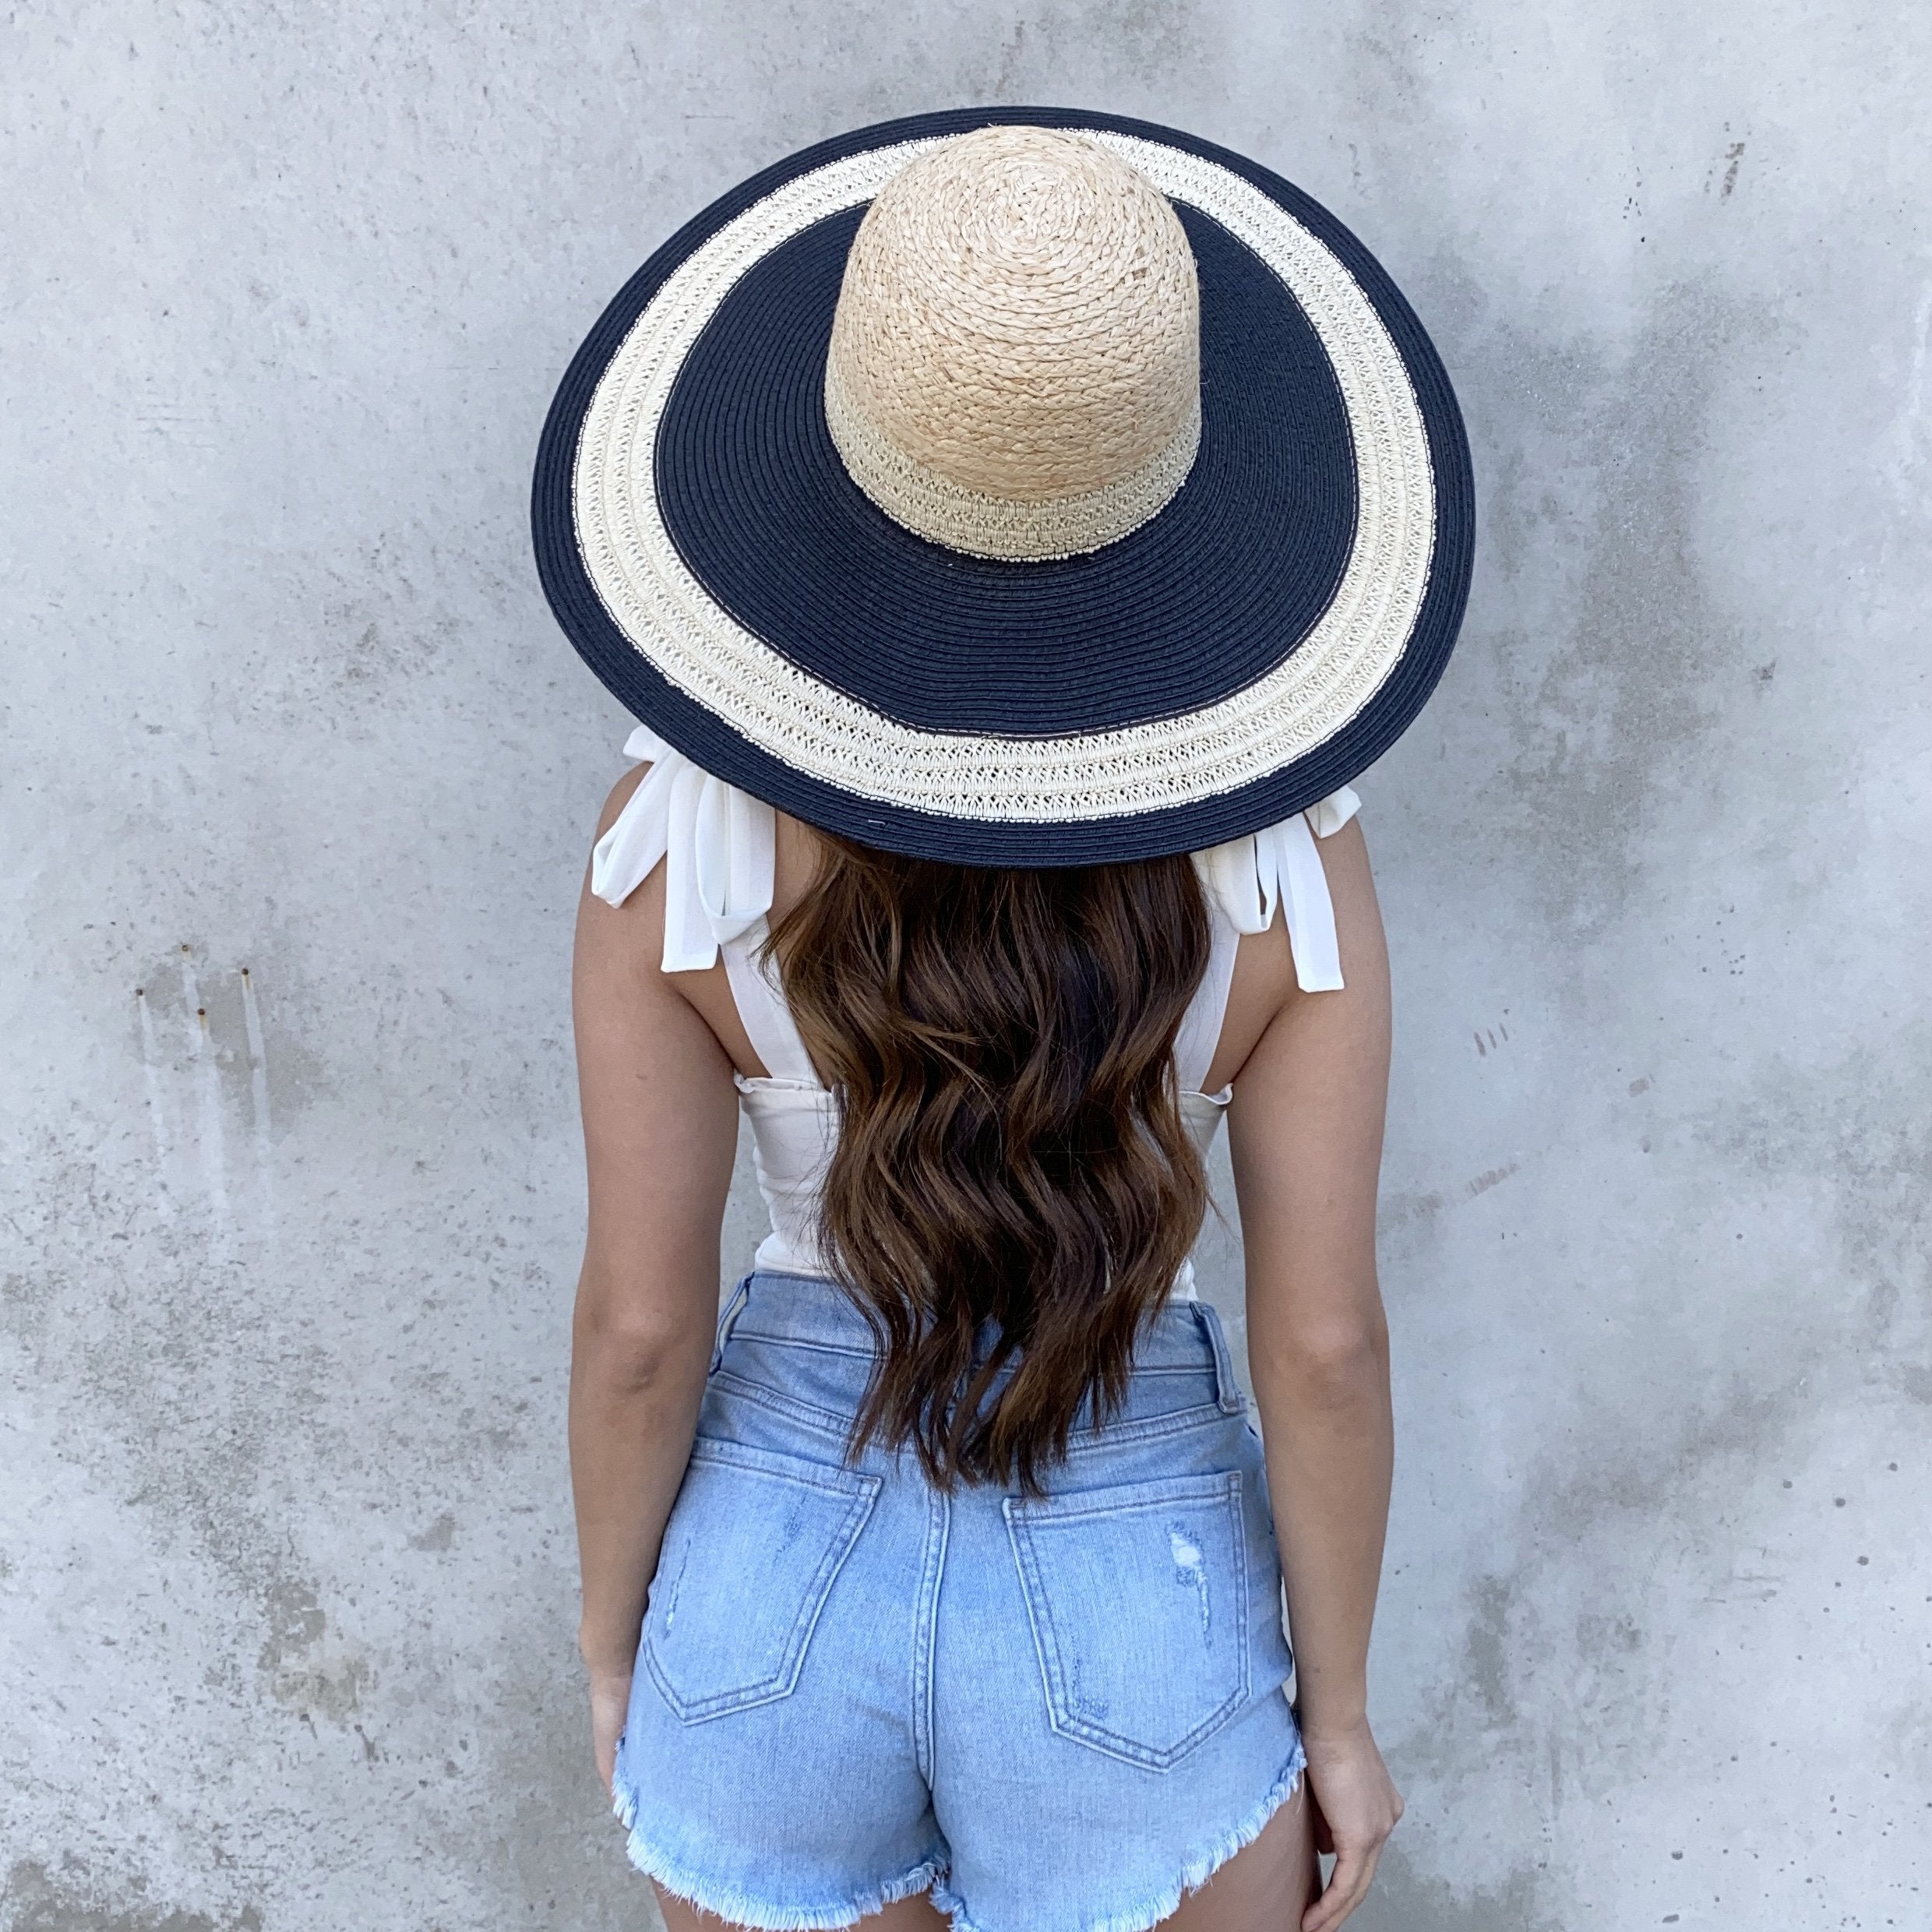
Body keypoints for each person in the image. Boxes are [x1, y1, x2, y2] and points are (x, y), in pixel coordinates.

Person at [535, 110, 1472, 1932]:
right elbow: (1329, 1347)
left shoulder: (668, 833)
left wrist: (607, 1638)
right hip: (1140, 1573)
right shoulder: (1290, 862)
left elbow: (640, 1328)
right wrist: (1339, 1714)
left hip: (763, 1587)